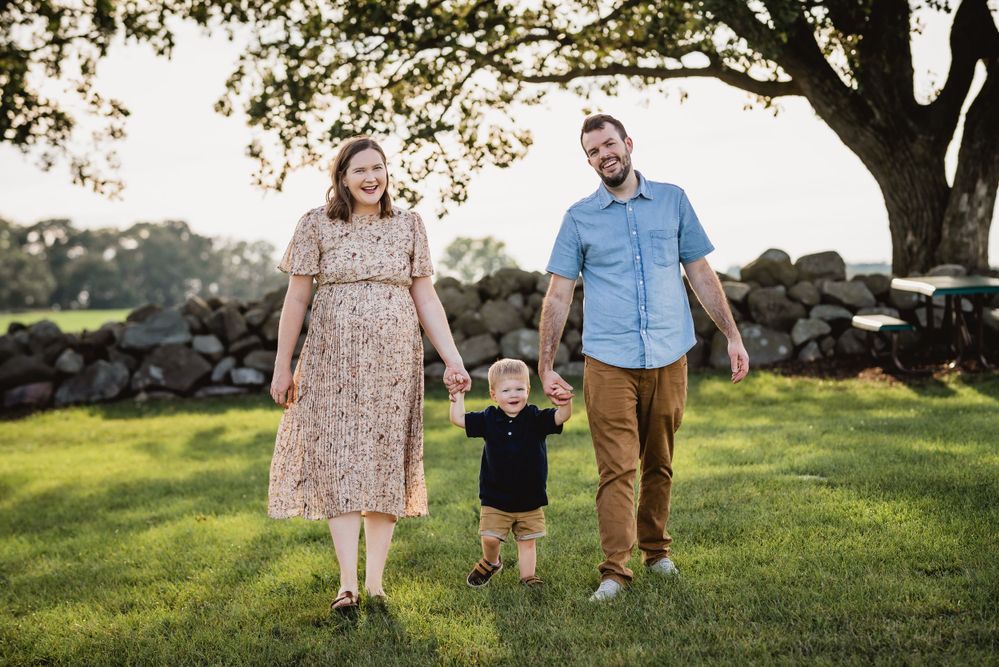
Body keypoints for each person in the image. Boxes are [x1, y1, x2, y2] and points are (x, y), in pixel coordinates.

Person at [538, 114, 750, 602]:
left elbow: (699, 271)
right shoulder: (578, 217)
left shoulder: (673, 200)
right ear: (588, 159)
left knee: (660, 462)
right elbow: (558, 295)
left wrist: (733, 336)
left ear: (628, 143)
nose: (603, 155)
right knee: (616, 469)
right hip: (608, 361)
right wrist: (545, 365)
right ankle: (614, 571)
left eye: (609, 144)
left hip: (668, 356)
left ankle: (656, 552)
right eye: (593, 151)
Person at [268, 135, 471, 613]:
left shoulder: (409, 225)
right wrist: (283, 364)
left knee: (382, 464)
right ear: (341, 178)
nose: (370, 178)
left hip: (394, 362)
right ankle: (346, 585)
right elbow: (296, 298)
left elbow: (425, 297)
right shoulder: (315, 225)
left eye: (377, 168)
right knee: (339, 461)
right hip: (330, 361)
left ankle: (376, 584)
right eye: (359, 170)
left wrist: (453, 357)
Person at [448, 358, 572, 588]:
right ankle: (492, 561)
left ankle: (528, 577)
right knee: (490, 537)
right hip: (495, 497)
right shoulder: (488, 419)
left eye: (519, 389)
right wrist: (459, 396)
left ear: (528, 390)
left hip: (530, 498)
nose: (513, 394)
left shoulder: (535, 417)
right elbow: (458, 419)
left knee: (527, 541)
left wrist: (564, 401)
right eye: (506, 390)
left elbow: (560, 417)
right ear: (494, 394)